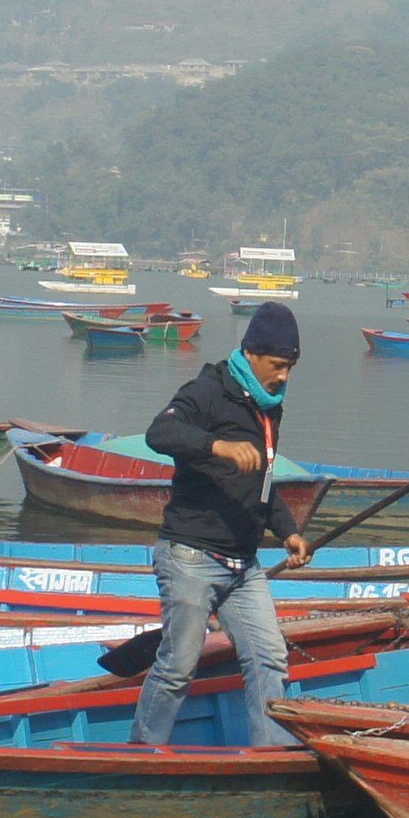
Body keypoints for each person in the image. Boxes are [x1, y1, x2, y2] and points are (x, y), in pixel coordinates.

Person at [136, 299, 313, 750]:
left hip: (244, 563)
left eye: (291, 367)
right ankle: (141, 751)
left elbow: (265, 483)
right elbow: (159, 433)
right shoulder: (208, 390)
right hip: (191, 556)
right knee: (178, 667)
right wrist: (218, 446)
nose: (284, 376)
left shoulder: (269, 409)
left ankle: (272, 754)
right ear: (251, 354)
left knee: (270, 656)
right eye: (278, 365)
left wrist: (288, 531)